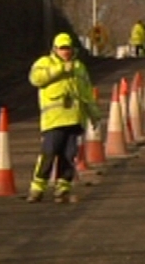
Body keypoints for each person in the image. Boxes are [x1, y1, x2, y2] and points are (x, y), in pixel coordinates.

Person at [26, 32, 101, 203]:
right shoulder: (45, 63)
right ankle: (37, 189)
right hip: (54, 121)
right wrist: (60, 69)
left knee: (69, 155)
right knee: (49, 153)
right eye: (62, 48)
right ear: (55, 49)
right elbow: (35, 79)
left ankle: (63, 189)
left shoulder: (79, 67)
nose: (65, 51)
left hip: (74, 119)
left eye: (68, 48)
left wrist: (94, 114)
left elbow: (86, 93)